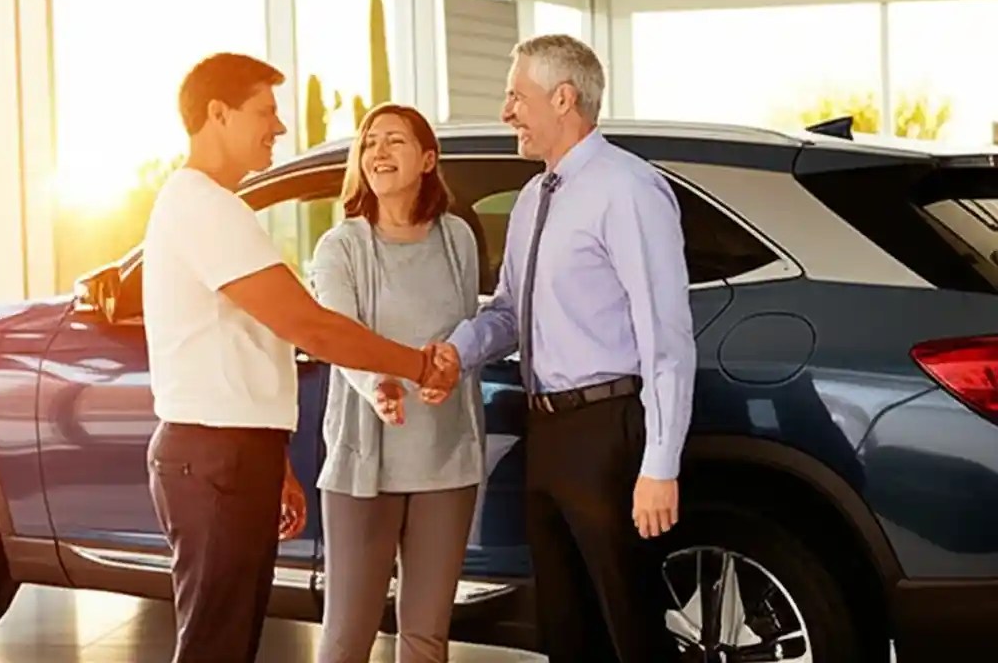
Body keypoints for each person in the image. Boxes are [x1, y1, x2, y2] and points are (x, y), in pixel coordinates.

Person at [141, 53, 460, 663]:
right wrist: (416, 367)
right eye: (265, 111)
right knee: (216, 646)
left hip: (231, 451)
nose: (279, 127)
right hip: (215, 459)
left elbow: (241, 344)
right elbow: (308, 325)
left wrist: (274, 458)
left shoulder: (209, 204)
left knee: (227, 640)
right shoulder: (204, 206)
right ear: (218, 114)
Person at [424, 34, 695, 663]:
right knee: (566, 630)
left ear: (563, 97)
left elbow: (665, 333)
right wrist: (455, 354)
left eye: (516, 96)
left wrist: (660, 463)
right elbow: (509, 312)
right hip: (545, 432)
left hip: (609, 433)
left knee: (632, 630)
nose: (506, 111)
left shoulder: (627, 188)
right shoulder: (532, 198)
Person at [308, 103, 485, 663]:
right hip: (366, 459)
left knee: (428, 633)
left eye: (395, 142)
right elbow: (336, 334)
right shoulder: (342, 246)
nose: (378, 153)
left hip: (446, 456)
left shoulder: (457, 237)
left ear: (428, 159)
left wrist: (450, 370)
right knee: (347, 635)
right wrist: (377, 384)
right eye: (369, 144)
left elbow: (463, 331)